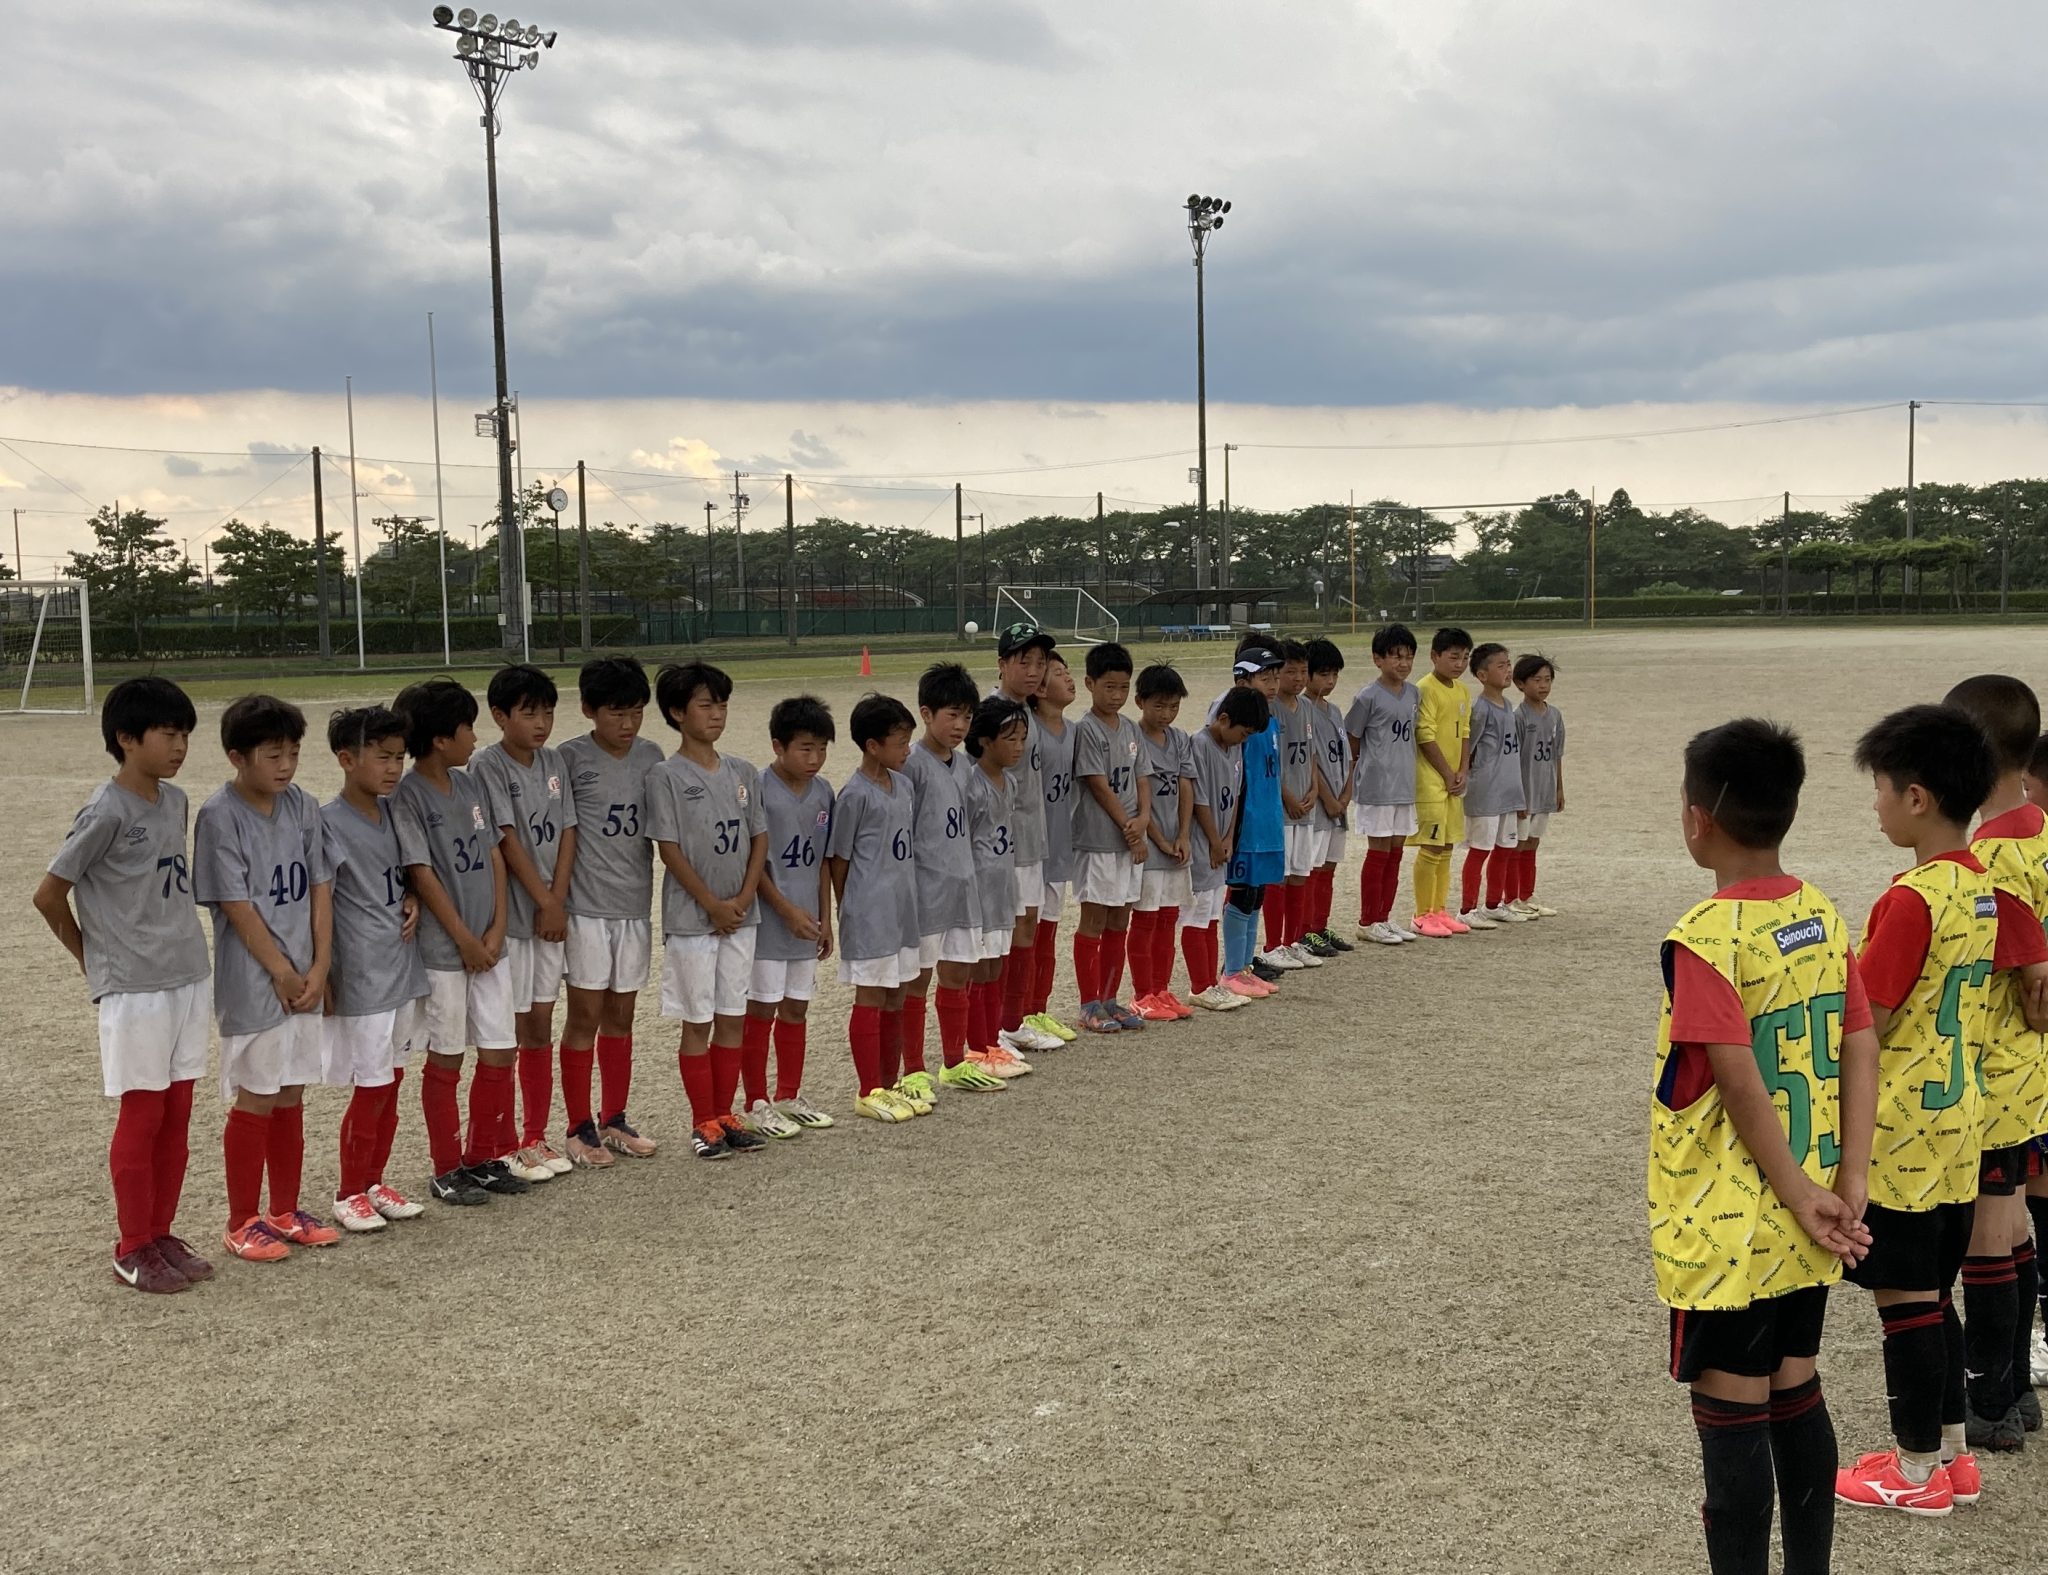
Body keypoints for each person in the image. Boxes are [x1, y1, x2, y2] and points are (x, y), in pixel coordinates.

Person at [1649, 717, 1877, 1575]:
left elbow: (1737, 1078)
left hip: (1733, 1222)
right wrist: (1846, 1175)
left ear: (1698, 817)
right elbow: (1860, 1037)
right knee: (1796, 1386)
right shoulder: (1822, 912)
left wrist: (1792, 1190)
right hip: (1813, 1202)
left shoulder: (1705, 935)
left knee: (1735, 1414)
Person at [1833, 704, 2048, 1515]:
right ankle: (1953, 1454)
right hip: (1960, 1120)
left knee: (1907, 1305)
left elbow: (1871, 1017)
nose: (1877, 804)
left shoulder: (1912, 898)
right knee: (1934, 1292)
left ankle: (1915, 1468)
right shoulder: (1983, 889)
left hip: (1901, 1130)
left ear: (1917, 797)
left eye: (1882, 790)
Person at [34, 677, 216, 1292]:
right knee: (143, 1115)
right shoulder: (105, 810)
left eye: (185, 734)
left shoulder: (176, 801)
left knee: (179, 1112)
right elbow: (48, 894)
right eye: (168, 734)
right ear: (126, 738)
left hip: (188, 974)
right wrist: (94, 960)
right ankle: (132, 1243)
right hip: (135, 989)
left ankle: (161, 1232)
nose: (179, 746)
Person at [193, 694, 340, 1260]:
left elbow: (321, 886)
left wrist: (320, 965)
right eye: (273, 754)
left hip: (305, 973)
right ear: (238, 757)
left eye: (294, 753)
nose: (286, 765)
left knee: (292, 1093)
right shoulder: (219, 815)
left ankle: (283, 1208)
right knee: (256, 1096)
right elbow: (236, 904)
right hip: (257, 980)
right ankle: (240, 1220)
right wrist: (280, 970)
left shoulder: (301, 805)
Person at [1944, 674, 2048, 1451]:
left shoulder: (1991, 854)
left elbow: (2029, 979)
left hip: (1998, 1067)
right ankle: (2016, 1393)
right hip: (2032, 1072)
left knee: (1989, 1229)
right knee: (2012, 1222)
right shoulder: (2040, 825)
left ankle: (1992, 1397)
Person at [391, 677, 524, 1207]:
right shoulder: (408, 797)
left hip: (491, 945)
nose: (475, 737)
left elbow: (494, 855)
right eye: (467, 727)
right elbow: (421, 872)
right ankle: (447, 1167)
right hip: (446, 952)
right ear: (442, 738)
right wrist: (465, 938)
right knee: (446, 1057)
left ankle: (484, 1156)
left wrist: (495, 929)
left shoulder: (470, 786)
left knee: (500, 1050)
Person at [646, 661, 770, 1162]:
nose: (716, 714)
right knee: (697, 1020)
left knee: (732, 1016)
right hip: (693, 920)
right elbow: (669, 850)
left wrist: (741, 899)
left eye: (722, 704)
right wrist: (712, 904)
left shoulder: (743, 770)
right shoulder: (666, 775)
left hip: (743, 916)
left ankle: (726, 1113)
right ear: (678, 712)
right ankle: (703, 1121)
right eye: (705, 705)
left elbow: (758, 836)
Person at [321, 706, 430, 1233]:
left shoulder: (394, 813)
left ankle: (373, 1180)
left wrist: (413, 896)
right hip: (363, 976)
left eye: (399, 758)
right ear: (347, 759)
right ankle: (347, 1192)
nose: (393, 768)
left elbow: (410, 876)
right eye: (382, 757)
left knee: (392, 1082)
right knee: (369, 1086)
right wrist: (323, 973)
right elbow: (316, 906)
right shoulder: (326, 823)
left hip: (403, 968)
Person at [557, 655, 665, 1166]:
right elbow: (561, 835)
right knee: (584, 1016)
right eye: (616, 714)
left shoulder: (651, 756)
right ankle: (578, 1127)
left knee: (622, 1015)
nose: (627, 725)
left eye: (636, 713)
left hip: (633, 905)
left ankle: (614, 1119)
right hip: (586, 909)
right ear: (588, 710)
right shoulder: (569, 759)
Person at [470, 664, 576, 1183]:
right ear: (500, 716)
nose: (541, 723)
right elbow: (505, 839)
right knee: (508, 1032)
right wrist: (542, 899)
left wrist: (557, 900)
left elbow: (568, 830)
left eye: (548, 711)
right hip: (515, 920)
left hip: (550, 914)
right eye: (529, 712)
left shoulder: (554, 761)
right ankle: (505, 1140)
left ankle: (535, 1135)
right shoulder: (486, 767)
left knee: (539, 1024)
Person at [902, 661, 1014, 1099]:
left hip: (965, 887)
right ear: (926, 713)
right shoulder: (911, 764)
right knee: (918, 978)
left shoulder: (966, 765)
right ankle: (913, 1068)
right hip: (926, 890)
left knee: (958, 973)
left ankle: (955, 1062)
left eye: (967, 716)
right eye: (951, 715)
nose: (960, 724)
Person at [828, 694, 932, 1120]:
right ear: (873, 746)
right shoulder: (854, 795)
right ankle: (868, 1088)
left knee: (897, 994)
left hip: (903, 907)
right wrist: (846, 908)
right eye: (900, 741)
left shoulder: (903, 785)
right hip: (869, 909)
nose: (908, 749)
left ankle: (890, 1083)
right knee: (870, 996)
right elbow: (839, 859)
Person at [738, 695, 838, 1138]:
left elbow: (820, 861)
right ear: (778, 746)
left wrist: (824, 917)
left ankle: (789, 1095)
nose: (814, 759)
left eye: (821, 749)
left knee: (796, 1006)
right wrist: (786, 910)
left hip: (805, 920)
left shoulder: (824, 792)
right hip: (768, 920)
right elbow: (753, 863)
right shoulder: (759, 789)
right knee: (761, 1008)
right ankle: (756, 1101)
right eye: (804, 749)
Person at [991, 623, 1068, 1050]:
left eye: (1041, 663)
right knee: (1003, 934)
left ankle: (1013, 1021)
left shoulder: (1029, 715)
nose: (1035, 671)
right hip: (1005, 846)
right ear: (1002, 664)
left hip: (1033, 842)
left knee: (1027, 929)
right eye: (1025, 661)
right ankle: (992, 1028)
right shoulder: (992, 713)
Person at [1071, 641, 1152, 1033]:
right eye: (1109, 687)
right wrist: (1130, 828)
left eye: (1123, 688)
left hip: (1130, 839)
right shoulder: (1086, 729)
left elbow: (1142, 777)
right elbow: (1099, 786)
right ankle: (1088, 1004)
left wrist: (1145, 820)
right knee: (1095, 918)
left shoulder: (1132, 728)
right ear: (1089, 683)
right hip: (1100, 840)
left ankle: (1110, 999)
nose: (1117, 696)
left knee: (1120, 918)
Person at [1181, 687, 1268, 1010]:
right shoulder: (1199, 745)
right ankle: (1199, 985)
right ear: (1223, 719)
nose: (1243, 740)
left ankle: (1211, 982)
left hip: (1222, 843)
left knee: (1212, 913)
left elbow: (1233, 797)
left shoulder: (1236, 749)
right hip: (1203, 843)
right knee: (1197, 914)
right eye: (1242, 733)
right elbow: (1199, 798)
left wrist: (1230, 837)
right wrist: (1215, 841)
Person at [964, 696, 1037, 1074]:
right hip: (978, 889)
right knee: (979, 968)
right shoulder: (970, 783)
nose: (1019, 747)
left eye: (1022, 738)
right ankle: (976, 1047)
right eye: (1010, 738)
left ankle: (992, 1041)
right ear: (985, 740)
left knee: (996, 966)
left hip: (1002, 886)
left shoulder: (1008, 781)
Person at [1346, 623, 1421, 946]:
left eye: (1408, 657)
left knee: (1395, 853)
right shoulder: (1367, 697)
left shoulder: (1414, 693)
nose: (1402, 664)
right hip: (1377, 785)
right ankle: (1367, 919)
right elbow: (1352, 739)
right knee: (1378, 852)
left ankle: (1384, 917)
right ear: (1378, 659)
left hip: (1404, 784)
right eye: (1395, 657)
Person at [1130, 664, 1197, 1021]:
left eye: (1173, 706)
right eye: (1159, 706)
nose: (1166, 714)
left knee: (1169, 917)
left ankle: (1161, 988)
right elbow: (1140, 799)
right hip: (1151, 846)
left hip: (1176, 843)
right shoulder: (1133, 738)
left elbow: (1186, 784)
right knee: (1145, 920)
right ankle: (1142, 994)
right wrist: (1159, 839)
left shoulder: (1180, 739)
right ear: (1140, 701)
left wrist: (1183, 834)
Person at [1220, 645, 1288, 993]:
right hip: (1246, 824)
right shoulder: (1231, 718)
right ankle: (1231, 970)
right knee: (1242, 893)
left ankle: (1245, 967)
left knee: (1258, 894)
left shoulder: (1270, 720)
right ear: (1242, 679)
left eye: (1276, 676)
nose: (1273, 684)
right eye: (1265, 677)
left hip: (1268, 822)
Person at [1024, 651, 1080, 1040]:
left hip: (1060, 845)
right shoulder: (1027, 730)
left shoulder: (1073, 730)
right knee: (1026, 937)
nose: (1069, 679)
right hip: (1031, 849)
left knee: (1047, 934)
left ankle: (1038, 1008)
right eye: (1059, 673)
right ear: (1041, 688)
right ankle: (1019, 1013)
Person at [1457, 642, 1527, 931]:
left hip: (1508, 792)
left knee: (1505, 848)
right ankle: (1467, 909)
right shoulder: (1480, 708)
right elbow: (1467, 750)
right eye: (1501, 665)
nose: (1508, 670)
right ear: (1483, 675)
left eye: (1508, 664)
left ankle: (1493, 904)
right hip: (1485, 791)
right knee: (1480, 849)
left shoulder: (1509, 705)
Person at [1410, 627, 1474, 938]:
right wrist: (1447, 773)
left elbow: (1464, 733)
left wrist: (1463, 769)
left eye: (1465, 658)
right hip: (1431, 780)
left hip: (1454, 780)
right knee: (1431, 845)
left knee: (1448, 844)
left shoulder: (1462, 691)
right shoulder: (1425, 688)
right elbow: (1425, 735)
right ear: (1435, 656)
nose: (1459, 663)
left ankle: (1439, 909)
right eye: (1453, 657)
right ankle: (1422, 914)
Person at [1265, 639, 1322, 970]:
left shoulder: (1308, 707)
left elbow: (1311, 753)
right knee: (1279, 878)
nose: (1299, 677)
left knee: (1302, 873)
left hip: (1306, 805)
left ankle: (1294, 940)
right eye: (1291, 671)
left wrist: (1314, 787)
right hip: (1283, 809)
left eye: (1303, 671)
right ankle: (1273, 944)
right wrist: (1287, 796)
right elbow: (1270, 760)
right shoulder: (1270, 709)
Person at [1300, 638, 1355, 956]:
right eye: (1322, 674)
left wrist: (1346, 792)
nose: (1329, 681)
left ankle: (1320, 924)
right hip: (1320, 807)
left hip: (1339, 803)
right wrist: (1328, 798)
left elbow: (1346, 755)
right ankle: (1305, 929)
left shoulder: (1333, 710)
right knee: (1312, 869)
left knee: (1329, 868)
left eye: (1334, 674)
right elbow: (1312, 761)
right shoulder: (1304, 710)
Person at [1511, 653, 1564, 917]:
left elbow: (1557, 754)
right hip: (1524, 791)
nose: (1543, 685)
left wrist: (1559, 788)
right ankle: (1510, 898)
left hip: (1544, 789)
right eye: (1536, 680)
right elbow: (1512, 758)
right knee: (1517, 844)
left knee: (1533, 842)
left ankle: (1527, 894)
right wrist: (1516, 794)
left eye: (1547, 680)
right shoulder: (1518, 717)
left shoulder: (1554, 715)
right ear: (1520, 684)